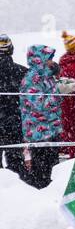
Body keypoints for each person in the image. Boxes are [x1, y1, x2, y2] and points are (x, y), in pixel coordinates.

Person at [18, 45, 61, 188]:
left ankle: (49, 195)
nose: (51, 62)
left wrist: (60, 86)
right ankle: (40, 196)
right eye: (49, 58)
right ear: (39, 60)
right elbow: (38, 104)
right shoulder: (31, 79)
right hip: (38, 133)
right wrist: (59, 93)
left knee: (52, 169)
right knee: (42, 171)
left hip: (51, 130)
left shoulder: (46, 76)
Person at [0, 35, 26, 174]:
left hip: (12, 119)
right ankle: (17, 189)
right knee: (16, 160)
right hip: (15, 121)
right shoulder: (22, 72)